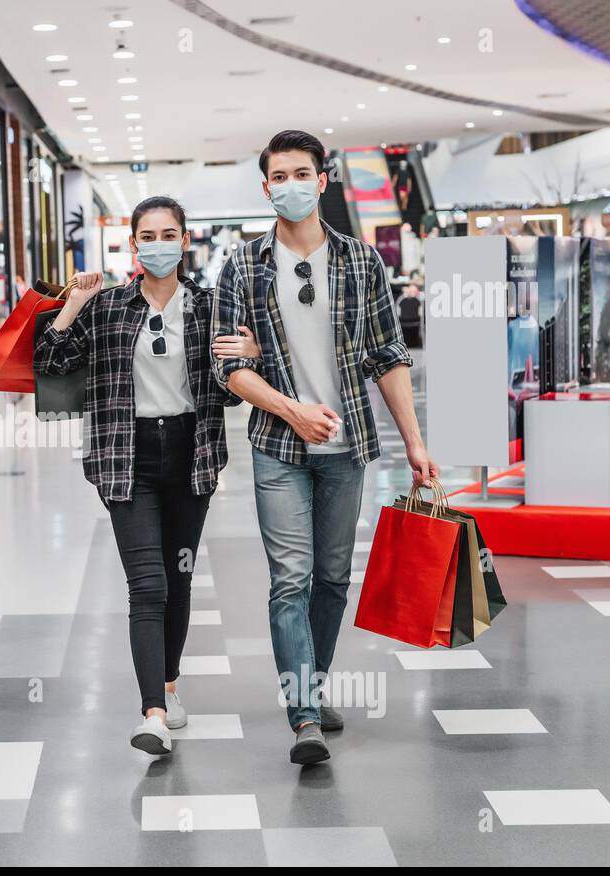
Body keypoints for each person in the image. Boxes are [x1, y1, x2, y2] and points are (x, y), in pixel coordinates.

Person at [212, 130, 439, 766]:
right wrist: (292, 410)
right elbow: (225, 368)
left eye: (300, 172)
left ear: (323, 179)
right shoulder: (243, 265)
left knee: (333, 579)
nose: (289, 183)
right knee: (291, 577)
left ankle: (310, 681)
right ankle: (305, 712)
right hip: (276, 447)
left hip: (347, 449)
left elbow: (389, 356)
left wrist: (415, 445)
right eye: (277, 175)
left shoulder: (361, 262)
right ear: (265, 187)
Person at [34, 196, 256, 757]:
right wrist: (72, 304)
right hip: (126, 456)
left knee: (178, 580)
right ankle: (152, 712)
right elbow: (51, 362)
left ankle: (171, 686)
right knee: (148, 585)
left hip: (191, 455)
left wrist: (251, 353)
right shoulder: (108, 306)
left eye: (169, 234)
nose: (158, 244)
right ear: (133, 245)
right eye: (147, 236)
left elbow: (237, 382)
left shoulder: (208, 307)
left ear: (186, 241)